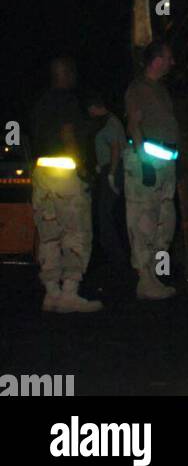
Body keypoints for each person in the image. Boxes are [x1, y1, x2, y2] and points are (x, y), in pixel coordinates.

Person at [30, 57, 102, 313]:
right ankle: (70, 291)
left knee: (49, 233)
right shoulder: (67, 101)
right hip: (65, 172)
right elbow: (68, 133)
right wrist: (82, 165)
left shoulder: (40, 103)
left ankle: (52, 292)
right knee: (76, 231)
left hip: (42, 173)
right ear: (66, 74)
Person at [124, 40, 180, 299]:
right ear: (156, 60)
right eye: (168, 57)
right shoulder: (138, 89)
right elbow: (134, 125)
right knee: (143, 220)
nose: (172, 62)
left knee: (164, 221)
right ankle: (144, 279)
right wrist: (144, 161)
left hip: (166, 164)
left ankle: (154, 277)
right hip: (149, 162)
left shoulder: (160, 89)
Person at [87, 93, 128, 272]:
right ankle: (115, 256)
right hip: (107, 168)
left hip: (114, 169)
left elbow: (115, 148)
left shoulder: (110, 122)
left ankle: (116, 259)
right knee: (107, 213)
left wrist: (111, 173)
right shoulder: (108, 122)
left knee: (105, 213)